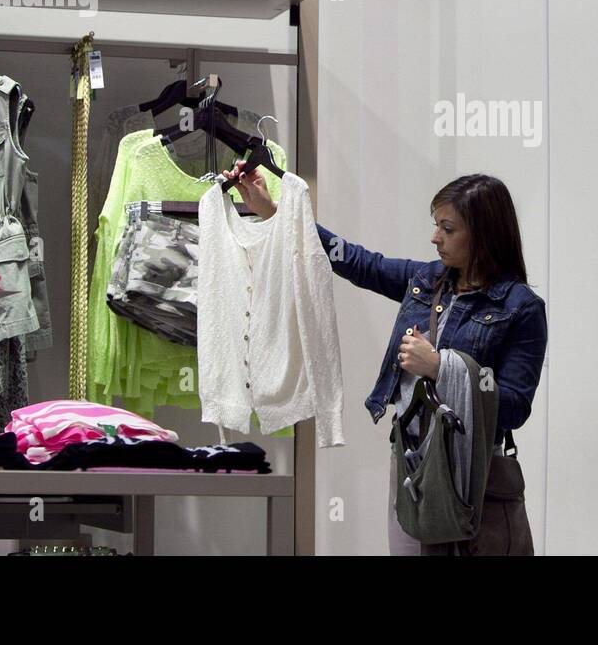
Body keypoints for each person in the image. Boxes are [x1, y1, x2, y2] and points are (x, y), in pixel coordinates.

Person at [224, 167, 547, 555]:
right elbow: (358, 262)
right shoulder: (426, 280)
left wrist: (443, 367)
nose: (435, 237)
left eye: (448, 228)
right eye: (436, 225)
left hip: (473, 473)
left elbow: (514, 407)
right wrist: (275, 212)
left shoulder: (521, 308)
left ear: (484, 234)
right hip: (411, 461)